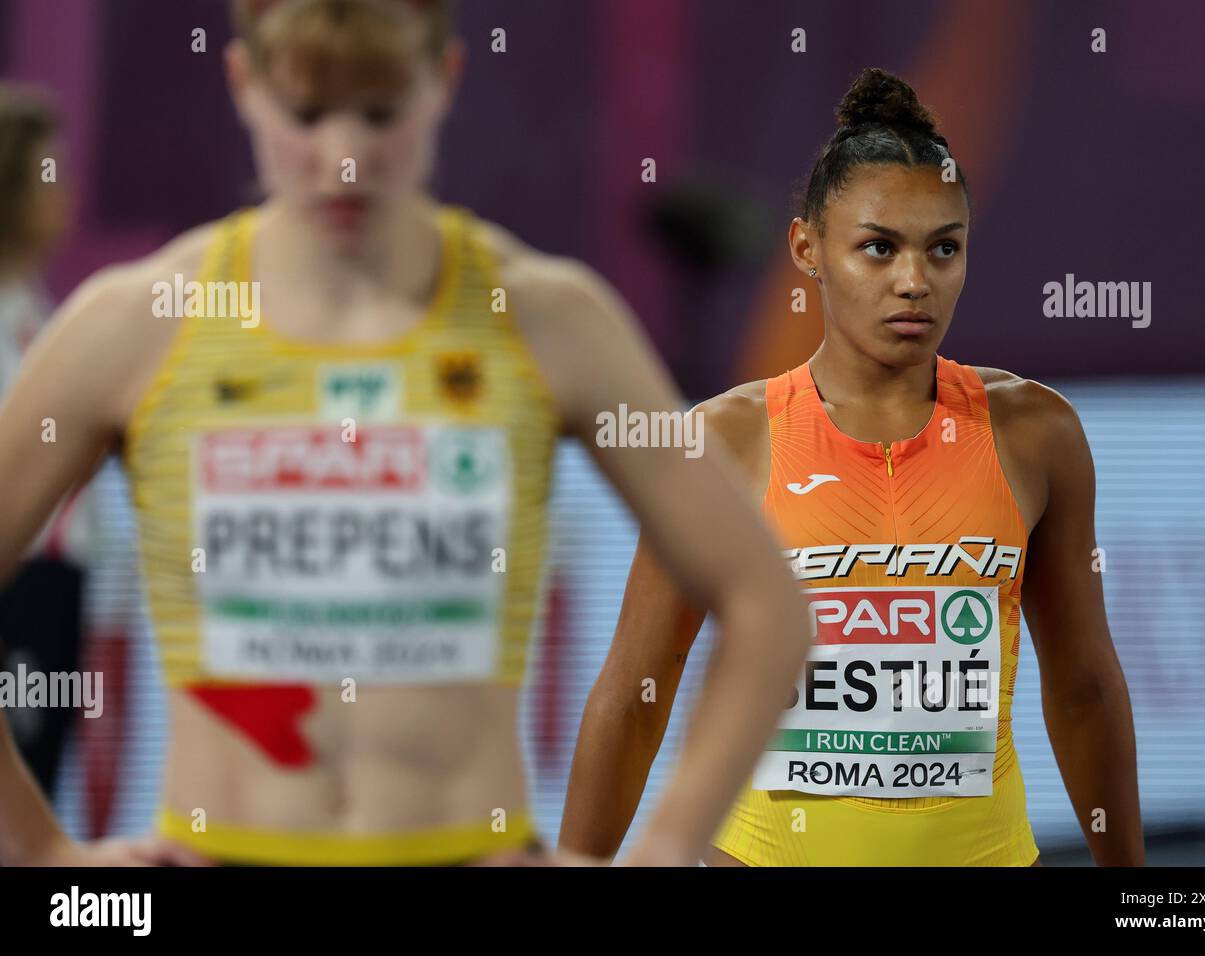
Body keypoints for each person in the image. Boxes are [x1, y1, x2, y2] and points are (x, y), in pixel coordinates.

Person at [0, 0, 808, 867]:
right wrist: (43, 852)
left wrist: (666, 850)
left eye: (381, 113)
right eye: (306, 115)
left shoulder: (549, 318)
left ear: (444, 81)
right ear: (243, 84)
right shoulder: (138, 322)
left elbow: (766, 605)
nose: (344, 160)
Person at [559, 67, 1144, 866]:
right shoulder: (724, 441)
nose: (915, 282)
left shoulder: (1036, 435)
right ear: (807, 247)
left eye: (945, 248)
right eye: (879, 247)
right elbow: (634, 691)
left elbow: (1083, 686)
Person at [0, 84, 97, 798]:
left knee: (43, 787)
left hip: (59, 589)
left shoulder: (46, 315)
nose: (66, 191)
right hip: (18, 584)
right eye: (49, 174)